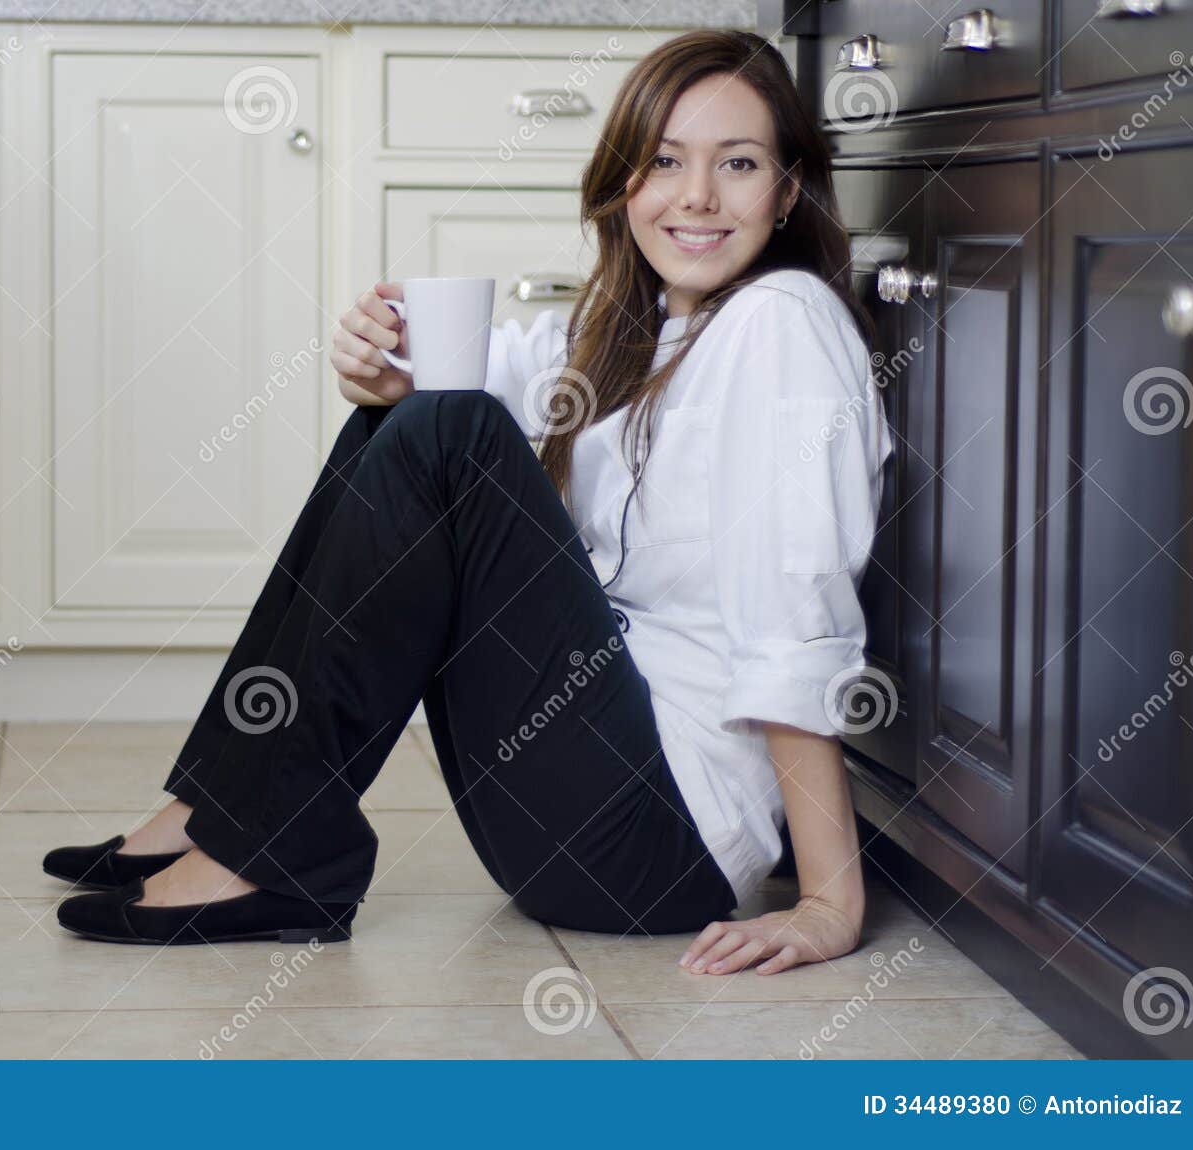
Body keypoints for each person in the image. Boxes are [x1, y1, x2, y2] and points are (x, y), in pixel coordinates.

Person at [44, 28, 894, 977]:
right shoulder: (644, 330)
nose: (696, 195)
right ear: (625, 183)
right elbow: (480, 371)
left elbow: (797, 610)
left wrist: (830, 900)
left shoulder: (783, 324)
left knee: (448, 428)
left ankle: (264, 845)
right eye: (664, 161)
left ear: (787, 190)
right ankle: (222, 806)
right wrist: (383, 354)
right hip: (577, 814)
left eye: (737, 163)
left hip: (656, 842)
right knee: (405, 421)